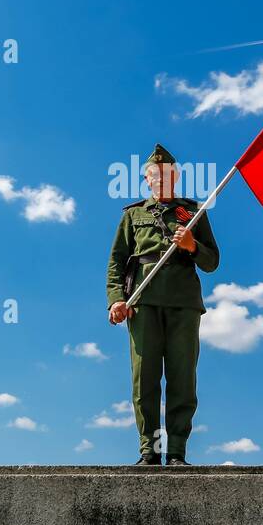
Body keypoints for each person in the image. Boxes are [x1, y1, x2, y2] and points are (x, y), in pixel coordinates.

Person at [106, 144, 219, 466]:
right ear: (146, 180)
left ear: (176, 176)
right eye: (154, 176)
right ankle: (150, 451)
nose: (160, 180)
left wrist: (192, 245)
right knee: (145, 380)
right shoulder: (133, 215)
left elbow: (212, 262)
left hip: (183, 302)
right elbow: (116, 262)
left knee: (182, 379)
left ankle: (177, 453)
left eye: (167, 175)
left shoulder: (194, 212)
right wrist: (116, 300)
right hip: (143, 302)